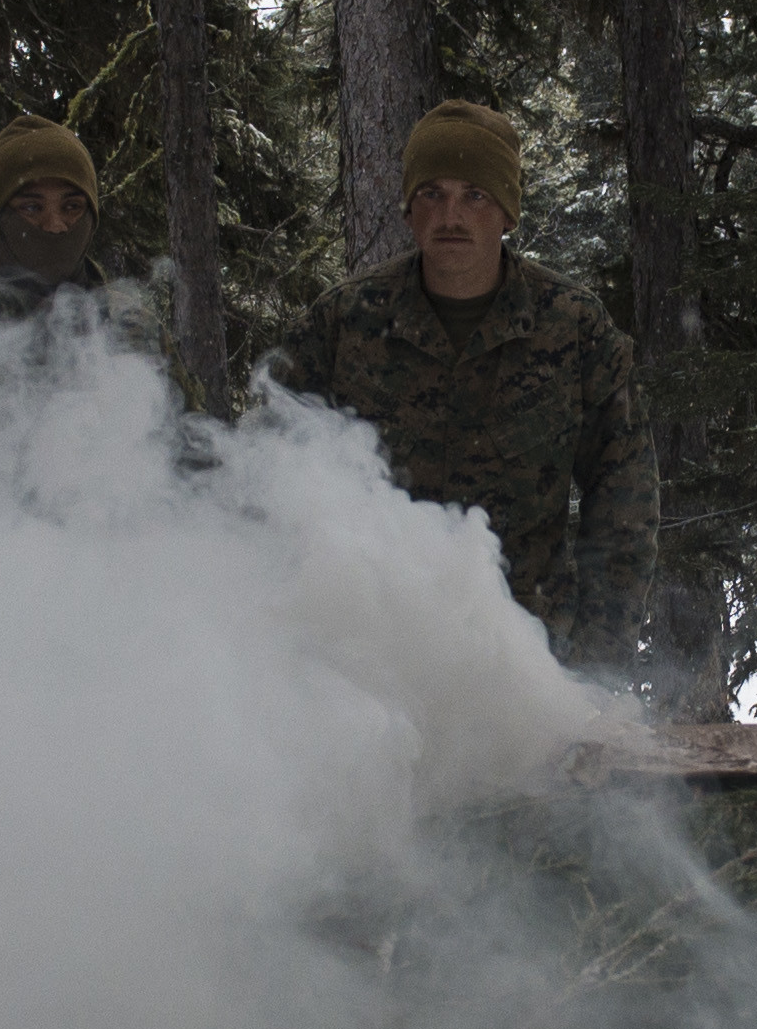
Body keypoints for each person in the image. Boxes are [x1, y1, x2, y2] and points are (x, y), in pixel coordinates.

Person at [271, 98, 656, 671]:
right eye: (432, 194)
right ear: (407, 209)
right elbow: (270, 478)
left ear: (507, 212)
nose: (451, 215)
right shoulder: (343, 324)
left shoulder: (572, 329)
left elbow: (625, 499)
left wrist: (599, 664)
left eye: (475, 195)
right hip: (371, 667)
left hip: (529, 673)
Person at [0, 117, 162, 367]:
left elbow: (186, 405)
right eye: (32, 208)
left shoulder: (133, 328)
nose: (55, 226)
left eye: (72, 207)